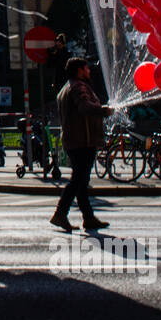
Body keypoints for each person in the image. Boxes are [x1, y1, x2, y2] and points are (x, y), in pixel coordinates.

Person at [52, 58, 113, 232]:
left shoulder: (66, 87)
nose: (89, 71)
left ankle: (88, 217)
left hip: (73, 139)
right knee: (78, 179)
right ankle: (60, 213)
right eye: (86, 68)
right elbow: (85, 107)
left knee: (81, 180)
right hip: (82, 140)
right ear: (79, 70)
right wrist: (103, 111)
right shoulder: (79, 87)